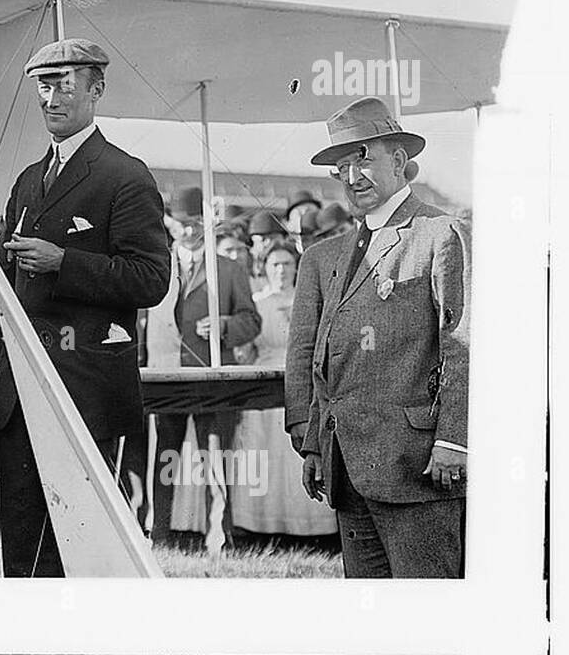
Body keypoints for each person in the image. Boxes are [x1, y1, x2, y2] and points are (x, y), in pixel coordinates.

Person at [0, 38, 171, 577]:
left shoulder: (125, 175)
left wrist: (64, 262)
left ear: (96, 90)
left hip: (84, 392)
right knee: (24, 544)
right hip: (22, 393)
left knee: (83, 546)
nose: (51, 98)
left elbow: (151, 279)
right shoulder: (27, 181)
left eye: (65, 85)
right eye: (44, 86)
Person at [287, 97, 469, 578]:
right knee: (370, 614)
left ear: (399, 160)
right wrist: (316, 443)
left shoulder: (441, 234)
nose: (352, 177)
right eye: (341, 167)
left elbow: (462, 345)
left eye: (363, 159)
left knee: (425, 612)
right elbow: (324, 354)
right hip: (348, 471)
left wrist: (454, 442)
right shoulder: (341, 251)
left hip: (417, 469)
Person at [151, 185, 262, 548]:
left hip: (212, 378)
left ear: (209, 222)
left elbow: (252, 321)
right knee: (166, 458)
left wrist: (225, 325)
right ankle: (159, 536)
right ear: (170, 222)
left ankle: (219, 539)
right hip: (166, 376)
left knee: (216, 458)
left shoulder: (227, 269)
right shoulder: (156, 266)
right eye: (183, 222)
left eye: (197, 222)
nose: (190, 230)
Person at [231, 240, 338, 542]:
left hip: (303, 384)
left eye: (287, 264)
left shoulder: (311, 300)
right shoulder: (257, 302)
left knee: (299, 454)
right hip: (265, 383)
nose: (281, 270)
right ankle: (260, 525)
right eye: (275, 264)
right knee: (265, 451)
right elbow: (247, 350)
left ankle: (309, 527)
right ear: (264, 268)